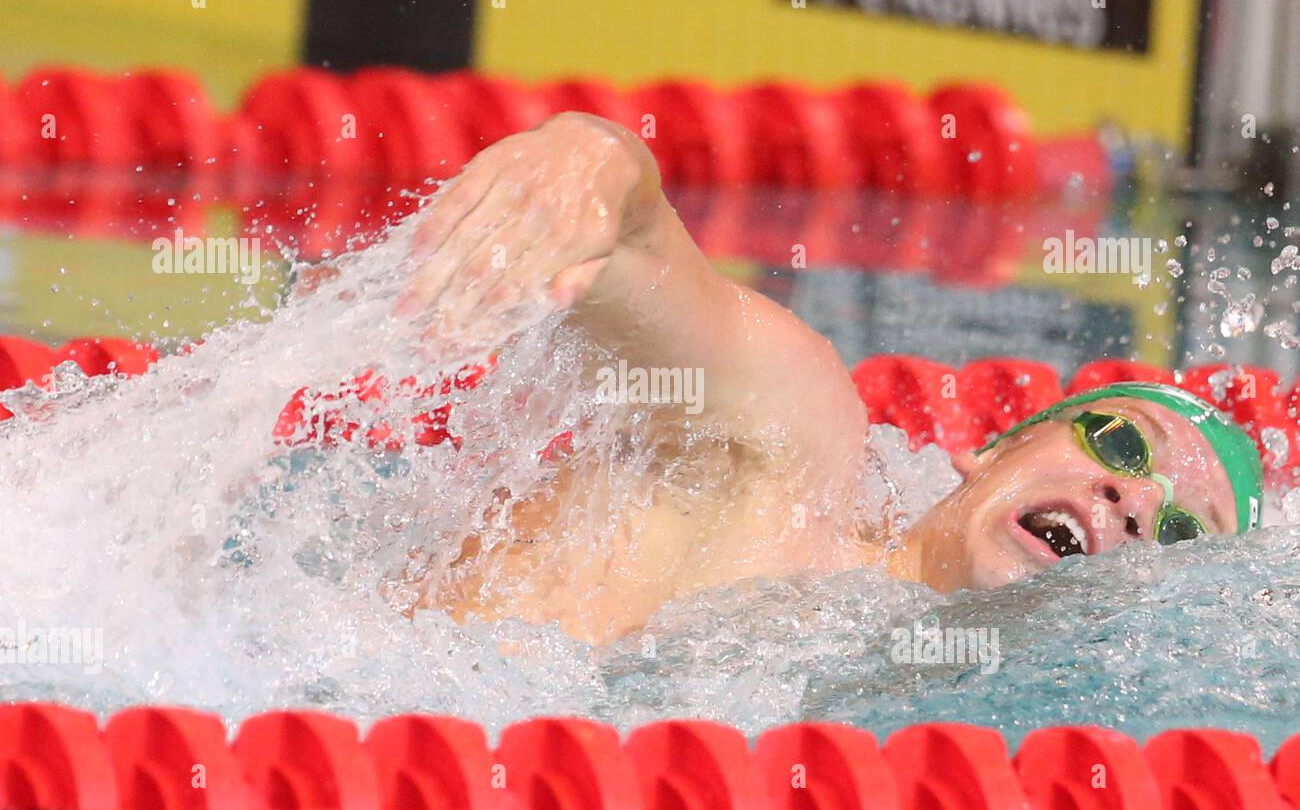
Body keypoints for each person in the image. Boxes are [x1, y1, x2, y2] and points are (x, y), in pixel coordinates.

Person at [392, 112, 1263, 644]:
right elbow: (637, 242)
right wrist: (589, 155)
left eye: (1184, 531)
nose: (1137, 501)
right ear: (989, 447)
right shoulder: (787, 460)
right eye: (1118, 441)